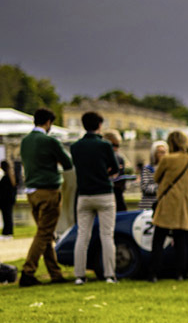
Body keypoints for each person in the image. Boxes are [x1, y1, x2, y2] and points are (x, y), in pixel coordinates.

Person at [19, 108, 73, 287]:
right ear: (48, 122)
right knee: (44, 234)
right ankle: (28, 271)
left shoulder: (25, 141)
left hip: (31, 192)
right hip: (48, 190)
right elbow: (67, 163)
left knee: (46, 234)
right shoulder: (49, 141)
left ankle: (55, 273)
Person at [70, 112, 120, 284]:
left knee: (82, 236)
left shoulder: (75, 147)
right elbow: (115, 168)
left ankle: (79, 275)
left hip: (84, 194)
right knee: (107, 235)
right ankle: (109, 274)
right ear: (99, 125)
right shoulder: (104, 145)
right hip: (104, 193)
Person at [149, 130, 188, 282]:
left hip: (168, 201)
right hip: (185, 203)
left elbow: (156, 178)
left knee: (158, 239)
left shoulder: (168, 159)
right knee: (181, 241)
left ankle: (154, 273)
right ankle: (180, 273)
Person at [103, 130, 128, 211]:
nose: (115, 148)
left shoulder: (120, 158)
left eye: (117, 145)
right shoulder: (100, 158)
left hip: (117, 194)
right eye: (113, 145)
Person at [138, 140, 167, 210]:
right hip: (149, 204)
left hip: (164, 204)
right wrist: (162, 187)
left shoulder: (169, 169)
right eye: (160, 152)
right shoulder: (147, 169)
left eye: (164, 152)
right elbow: (145, 187)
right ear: (154, 154)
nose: (162, 155)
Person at [0, 160, 16, 239]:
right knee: (8, 217)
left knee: (6, 217)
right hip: (9, 201)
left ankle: (7, 233)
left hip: (5, 201)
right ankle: (9, 232)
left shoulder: (5, 179)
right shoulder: (11, 178)